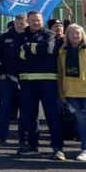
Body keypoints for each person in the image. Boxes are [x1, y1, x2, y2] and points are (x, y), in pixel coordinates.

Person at [16, 10, 64, 160]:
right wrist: (34, 49)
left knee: (52, 116)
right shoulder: (21, 35)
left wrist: (28, 48)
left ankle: (57, 148)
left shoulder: (50, 34)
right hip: (27, 83)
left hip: (48, 81)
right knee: (30, 116)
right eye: (33, 20)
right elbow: (17, 54)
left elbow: (47, 49)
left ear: (42, 20)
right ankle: (32, 146)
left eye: (38, 20)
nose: (36, 23)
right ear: (28, 21)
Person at [0, 14, 27, 148]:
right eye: (17, 23)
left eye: (22, 23)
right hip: (7, 79)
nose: (19, 26)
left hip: (27, 81)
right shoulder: (4, 37)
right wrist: (1, 73)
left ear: (26, 24)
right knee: (4, 109)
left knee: (27, 110)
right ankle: (0, 138)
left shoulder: (31, 37)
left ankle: (25, 141)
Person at [58, 23, 86, 162]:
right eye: (72, 33)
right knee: (80, 121)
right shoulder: (62, 52)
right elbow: (60, 74)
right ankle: (85, 148)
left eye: (78, 33)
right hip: (71, 93)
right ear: (67, 35)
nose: (75, 35)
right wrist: (62, 93)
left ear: (82, 35)